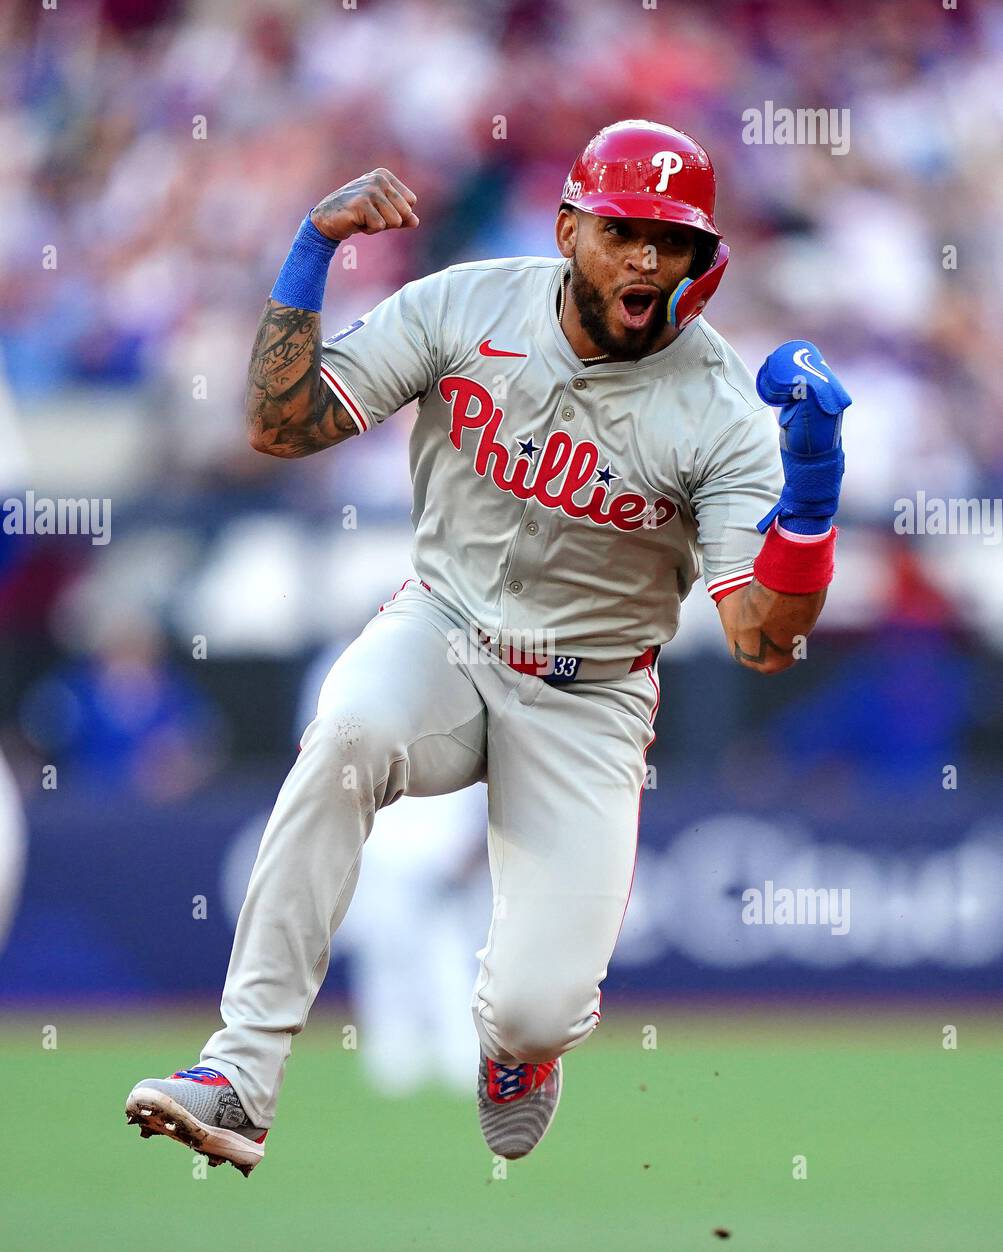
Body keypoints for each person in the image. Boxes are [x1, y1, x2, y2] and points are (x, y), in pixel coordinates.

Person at [126, 120, 851, 1175]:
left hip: (588, 693)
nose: (646, 257)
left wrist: (814, 489)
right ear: (568, 228)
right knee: (347, 733)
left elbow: (764, 641)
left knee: (536, 1004)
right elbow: (284, 428)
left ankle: (518, 1051)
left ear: (704, 258)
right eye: (622, 230)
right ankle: (238, 1074)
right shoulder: (467, 304)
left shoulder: (722, 413)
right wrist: (309, 250)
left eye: (671, 237)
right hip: (446, 628)